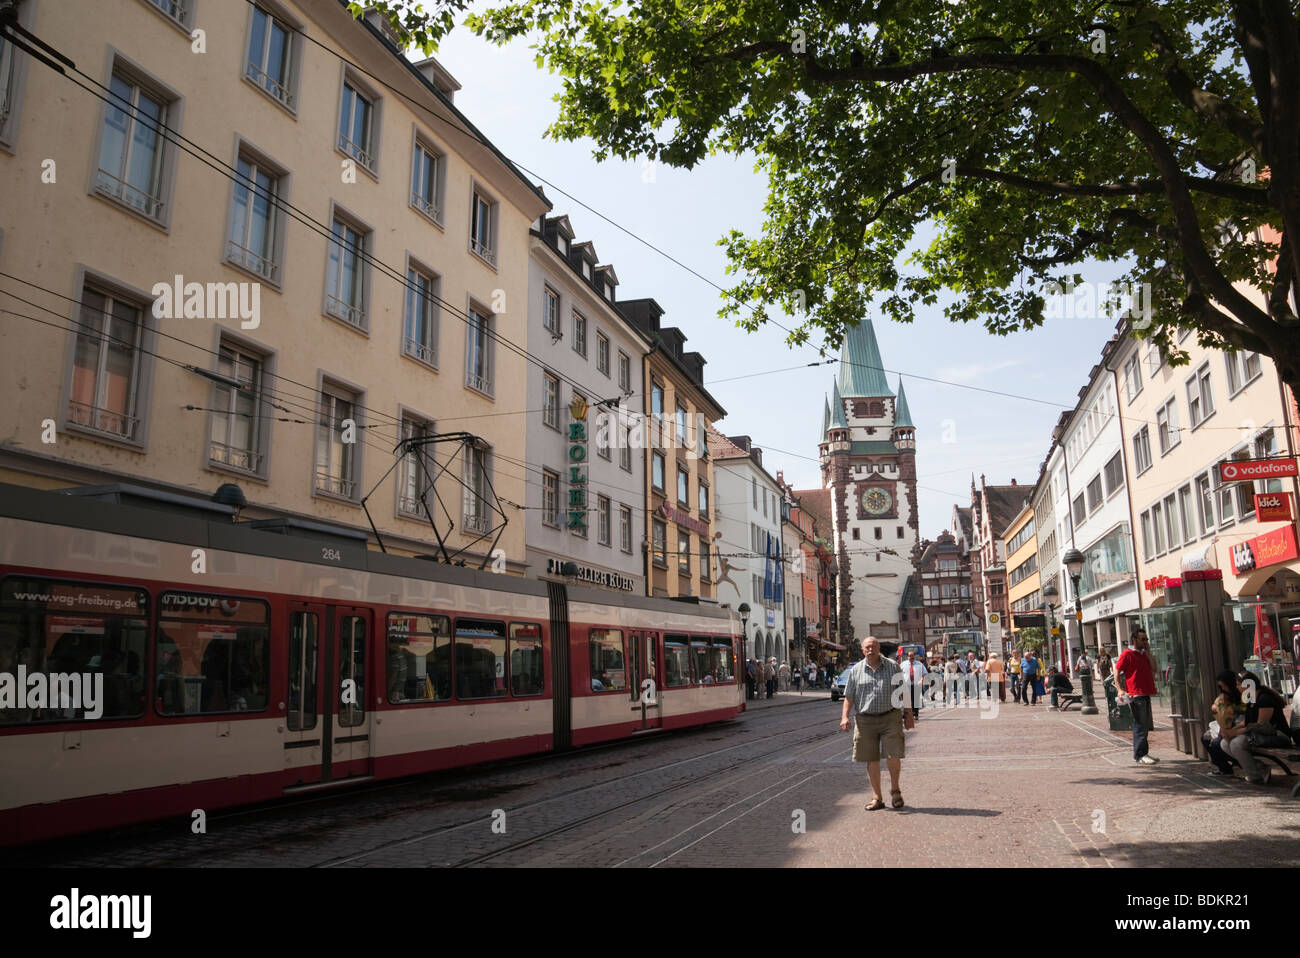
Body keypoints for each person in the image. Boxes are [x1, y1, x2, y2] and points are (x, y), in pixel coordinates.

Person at [840, 636, 912, 810]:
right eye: (867, 647)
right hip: (865, 720)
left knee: (893, 755)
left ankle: (895, 791)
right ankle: (877, 797)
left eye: (873, 646)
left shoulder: (892, 666)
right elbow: (849, 697)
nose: (870, 650)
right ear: (862, 650)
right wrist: (844, 717)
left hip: (890, 717)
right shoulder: (856, 670)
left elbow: (903, 691)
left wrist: (908, 713)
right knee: (871, 759)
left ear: (879, 648)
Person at [1220, 670, 1293, 784]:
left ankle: (1255, 776)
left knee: (1237, 743)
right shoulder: (1252, 698)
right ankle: (1260, 767)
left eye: (1239, 684)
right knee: (1224, 743)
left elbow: (1260, 725)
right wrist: (1231, 730)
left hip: (1278, 736)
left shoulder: (1264, 699)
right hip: (1260, 735)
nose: (1236, 687)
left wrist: (1236, 733)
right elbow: (1248, 721)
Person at [1114, 627, 1159, 765]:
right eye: (1142, 639)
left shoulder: (1144, 654)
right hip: (1136, 693)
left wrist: (1149, 652)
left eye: (1146, 639)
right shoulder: (1127, 654)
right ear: (1134, 640)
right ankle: (1140, 754)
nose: (1145, 642)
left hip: (1146, 692)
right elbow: (1117, 670)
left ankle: (1143, 753)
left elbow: (1154, 668)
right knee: (1140, 724)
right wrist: (1120, 689)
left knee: (1145, 724)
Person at [1203, 670, 1243, 776]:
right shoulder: (1224, 696)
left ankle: (1240, 763)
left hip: (1238, 725)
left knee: (1217, 743)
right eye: (1221, 687)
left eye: (1225, 686)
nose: (1223, 689)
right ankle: (1224, 768)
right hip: (1225, 726)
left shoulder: (1242, 695)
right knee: (1206, 738)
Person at [900, 649, 927, 718]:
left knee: (916, 699)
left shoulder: (919, 664)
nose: (911, 657)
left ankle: (916, 714)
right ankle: (907, 713)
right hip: (906, 684)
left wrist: (921, 680)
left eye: (912, 656)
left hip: (916, 684)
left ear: (914, 656)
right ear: (907, 656)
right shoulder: (903, 664)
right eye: (909, 656)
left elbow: (924, 674)